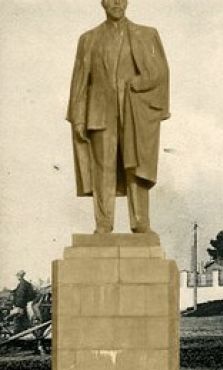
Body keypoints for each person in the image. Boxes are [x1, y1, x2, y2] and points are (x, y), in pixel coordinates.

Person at [68, 0, 170, 234]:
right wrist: (79, 117)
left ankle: (140, 222)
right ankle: (103, 224)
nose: (116, 3)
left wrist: (139, 83)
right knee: (102, 169)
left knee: (136, 167)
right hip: (99, 113)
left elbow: (161, 72)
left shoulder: (146, 34)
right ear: (102, 3)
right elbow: (80, 81)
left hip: (134, 112)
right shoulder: (88, 39)